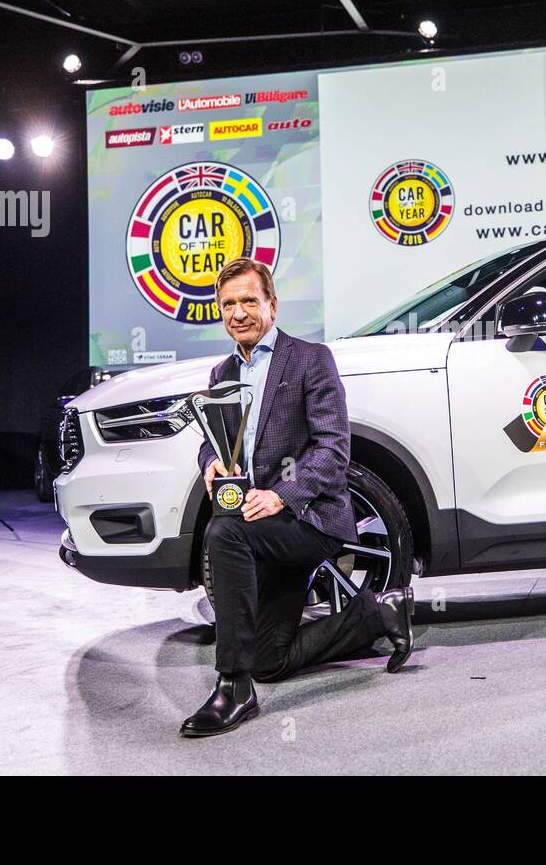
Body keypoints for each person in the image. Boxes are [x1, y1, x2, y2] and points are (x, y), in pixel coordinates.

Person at [180, 257, 415, 738]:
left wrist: (281, 495)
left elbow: (334, 450)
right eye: (228, 304)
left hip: (309, 521)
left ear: (272, 304)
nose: (238, 312)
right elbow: (211, 436)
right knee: (269, 659)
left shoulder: (310, 359)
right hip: (257, 526)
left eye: (249, 300)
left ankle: (232, 686)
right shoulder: (223, 371)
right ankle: (378, 613)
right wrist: (210, 461)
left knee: (221, 532)